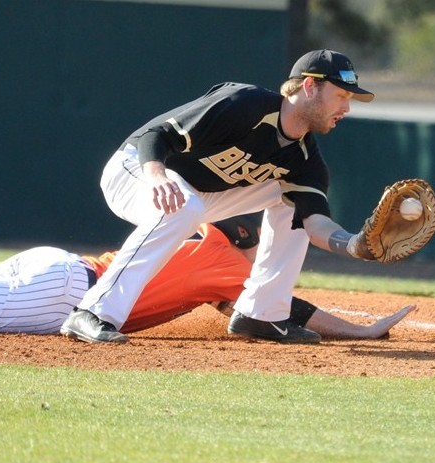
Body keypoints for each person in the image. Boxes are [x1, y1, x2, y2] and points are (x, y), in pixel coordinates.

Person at [62, 48, 385, 345]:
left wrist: (354, 244)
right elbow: (155, 136)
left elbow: (314, 224)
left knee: (293, 201)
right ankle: (92, 313)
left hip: (200, 194)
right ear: (310, 87)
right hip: (136, 168)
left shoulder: (305, 161)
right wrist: (157, 176)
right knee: (183, 206)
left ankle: (262, 314)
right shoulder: (244, 104)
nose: (345, 107)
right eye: (340, 95)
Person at [0, 216, 415, 339]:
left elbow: (259, 312)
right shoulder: (226, 263)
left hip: (59, 268)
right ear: (251, 237)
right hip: (66, 293)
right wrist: (363, 331)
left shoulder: (202, 238)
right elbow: (289, 309)